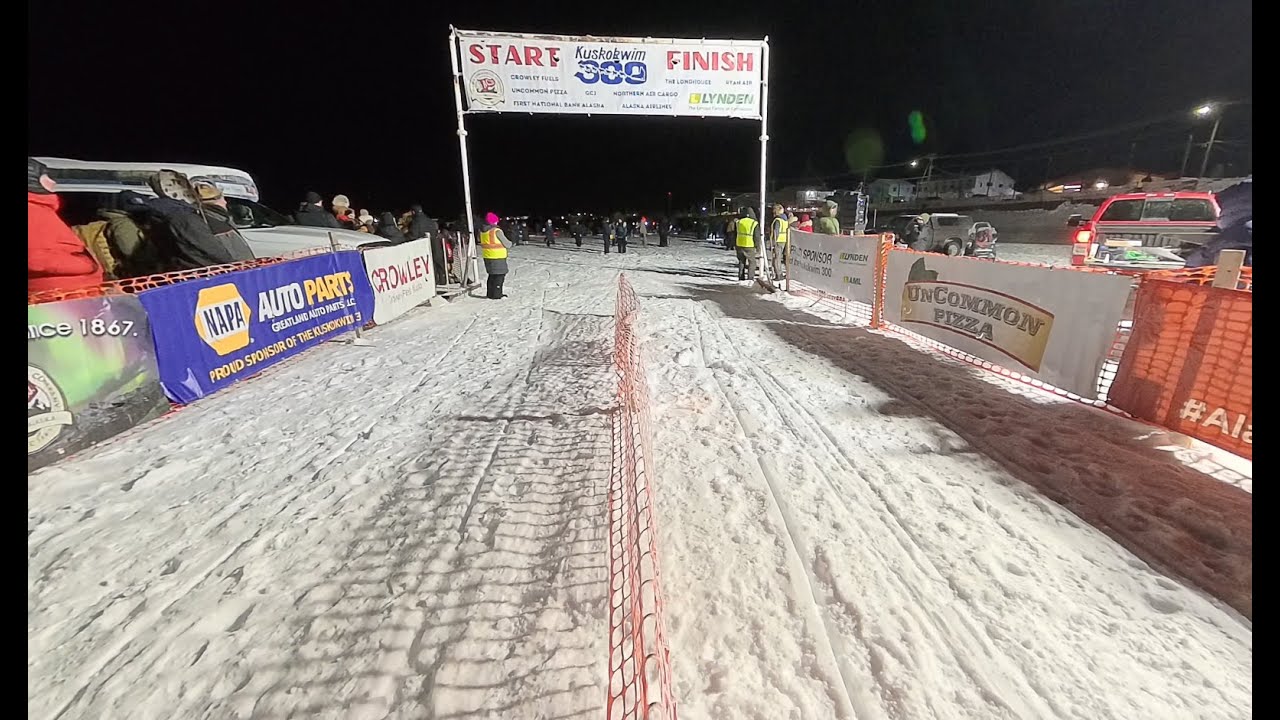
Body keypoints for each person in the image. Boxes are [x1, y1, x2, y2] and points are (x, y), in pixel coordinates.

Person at [28, 157, 104, 294]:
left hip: (69, 295)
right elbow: (34, 259)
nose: (53, 182)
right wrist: (85, 265)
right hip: (57, 298)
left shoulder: (39, 209)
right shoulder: (31, 211)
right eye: (45, 177)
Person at [194, 182, 255, 262]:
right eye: (223, 199)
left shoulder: (205, 219)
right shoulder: (218, 226)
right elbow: (238, 258)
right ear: (216, 200)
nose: (225, 202)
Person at [478, 211, 513, 299]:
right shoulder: (496, 231)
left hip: (487, 256)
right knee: (499, 276)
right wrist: (511, 242)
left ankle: (490, 294)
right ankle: (497, 295)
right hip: (497, 256)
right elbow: (507, 244)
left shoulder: (483, 231)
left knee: (492, 275)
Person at [735, 207, 762, 281]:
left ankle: (741, 277)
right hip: (749, 245)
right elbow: (756, 236)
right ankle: (750, 277)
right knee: (752, 262)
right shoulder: (754, 223)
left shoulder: (738, 222)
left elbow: (735, 234)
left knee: (741, 261)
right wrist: (758, 247)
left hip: (739, 244)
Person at [770, 204, 790, 279]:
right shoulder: (785, 219)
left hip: (778, 241)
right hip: (784, 240)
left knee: (776, 258)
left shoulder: (777, 220)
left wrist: (773, 243)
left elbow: (776, 232)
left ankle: (778, 275)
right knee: (782, 258)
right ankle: (784, 273)